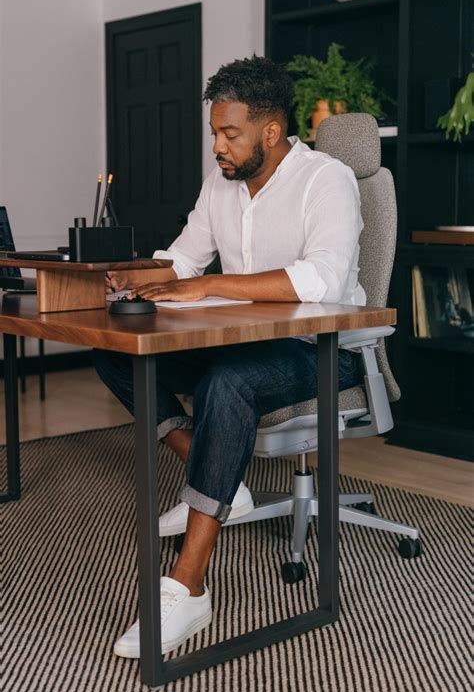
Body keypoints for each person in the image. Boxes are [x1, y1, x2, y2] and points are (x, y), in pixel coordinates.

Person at [94, 55, 366, 659]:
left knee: (227, 383)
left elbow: (322, 278)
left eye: (229, 133)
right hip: (243, 342)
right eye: (214, 132)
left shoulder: (327, 180)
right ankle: (216, 474)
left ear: (270, 132)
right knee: (116, 350)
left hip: (324, 350)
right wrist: (120, 275)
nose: (217, 145)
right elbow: (184, 259)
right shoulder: (220, 183)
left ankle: (188, 585)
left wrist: (210, 286)